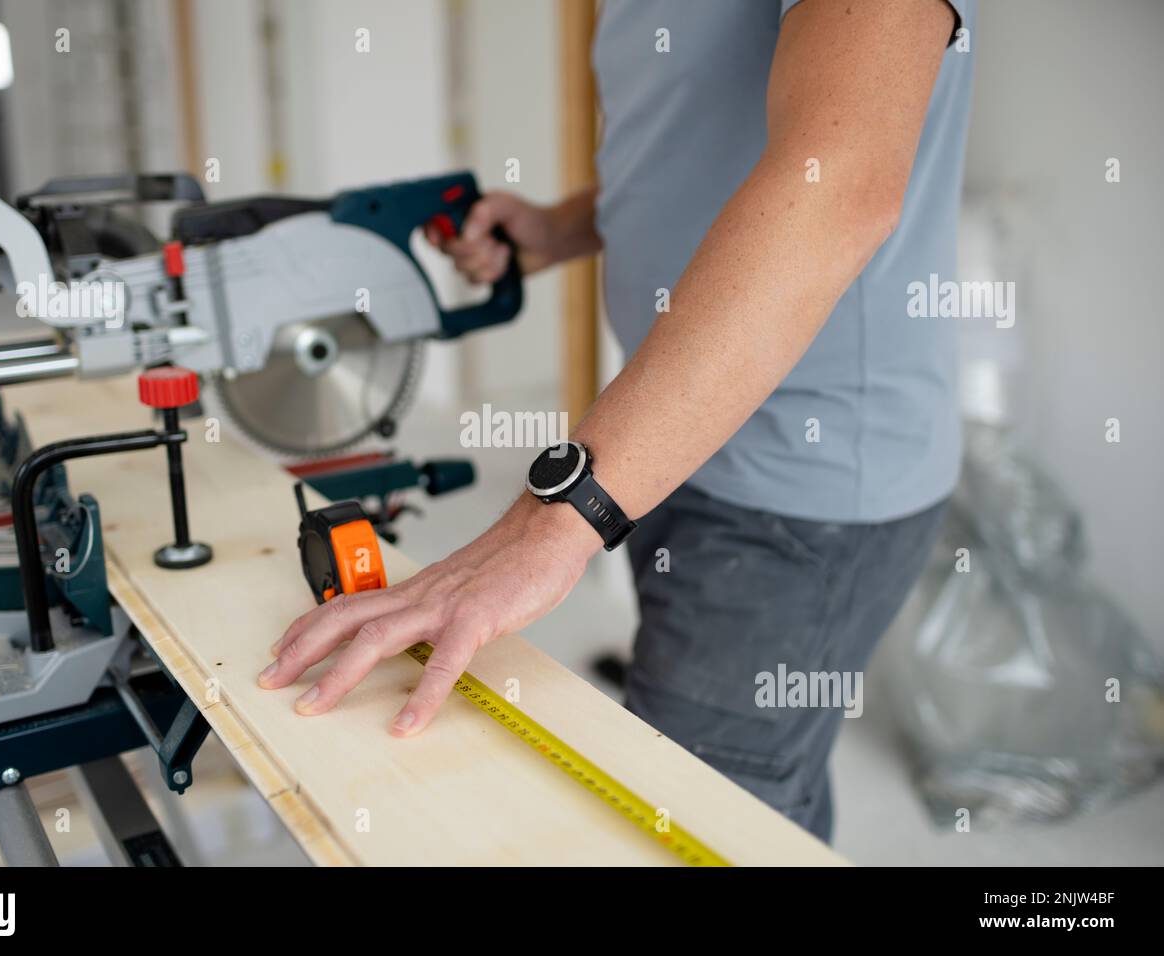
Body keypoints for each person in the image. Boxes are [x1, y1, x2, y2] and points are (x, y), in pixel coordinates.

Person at [260, 0, 973, 842]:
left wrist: (555, 520)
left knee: (697, 822)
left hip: (802, 484)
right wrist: (558, 228)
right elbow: (699, 143)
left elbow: (836, 189)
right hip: (669, 446)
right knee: (748, 796)